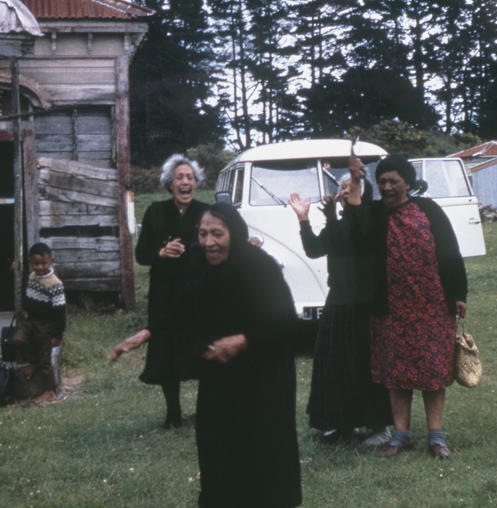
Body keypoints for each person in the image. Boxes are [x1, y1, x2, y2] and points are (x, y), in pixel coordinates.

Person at [110, 202, 302, 507]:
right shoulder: (204, 262)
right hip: (221, 372)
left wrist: (243, 340)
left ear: (234, 234)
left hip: (265, 377)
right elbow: (184, 304)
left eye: (217, 233)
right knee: (216, 446)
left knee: (261, 451)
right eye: (202, 233)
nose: (209, 241)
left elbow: (287, 324)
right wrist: (147, 333)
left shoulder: (259, 265)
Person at [343, 153, 467, 458]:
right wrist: (356, 179)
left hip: (432, 305)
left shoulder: (429, 210)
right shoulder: (373, 215)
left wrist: (459, 293)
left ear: (407, 183)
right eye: (381, 181)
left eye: (392, 181)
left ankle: (436, 437)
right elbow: (354, 224)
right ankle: (401, 435)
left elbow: (450, 251)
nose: (386, 186)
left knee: (433, 369)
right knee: (396, 372)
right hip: (391, 308)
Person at [289, 170, 392, 445]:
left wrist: (336, 215)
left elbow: (360, 239)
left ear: (364, 191)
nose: (344, 190)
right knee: (331, 362)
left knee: (365, 364)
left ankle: (379, 426)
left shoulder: (372, 217)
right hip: (338, 301)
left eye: (351, 186)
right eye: (342, 186)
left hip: (365, 303)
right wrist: (303, 218)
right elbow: (314, 249)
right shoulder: (340, 220)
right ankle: (335, 422)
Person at [133, 154, 208, 427]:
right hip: (164, 293)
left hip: (199, 291)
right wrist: (161, 251)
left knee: (202, 348)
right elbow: (141, 255)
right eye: (180, 178)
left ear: (196, 183)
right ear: (170, 184)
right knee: (166, 348)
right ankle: (173, 413)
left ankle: (206, 411)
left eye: (190, 177)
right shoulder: (155, 211)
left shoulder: (206, 212)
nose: (185, 182)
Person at [14, 242, 66, 404]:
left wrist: (57, 334)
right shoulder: (31, 276)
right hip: (31, 321)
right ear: (30, 262)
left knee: (46, 359)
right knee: (18, 340)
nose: (40, 267)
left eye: (44, 263)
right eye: (36, 264)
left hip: (46, 324)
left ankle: (50, 391)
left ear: (51, 261)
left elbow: (60, 312)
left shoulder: (55, 284)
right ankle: (33, 362)